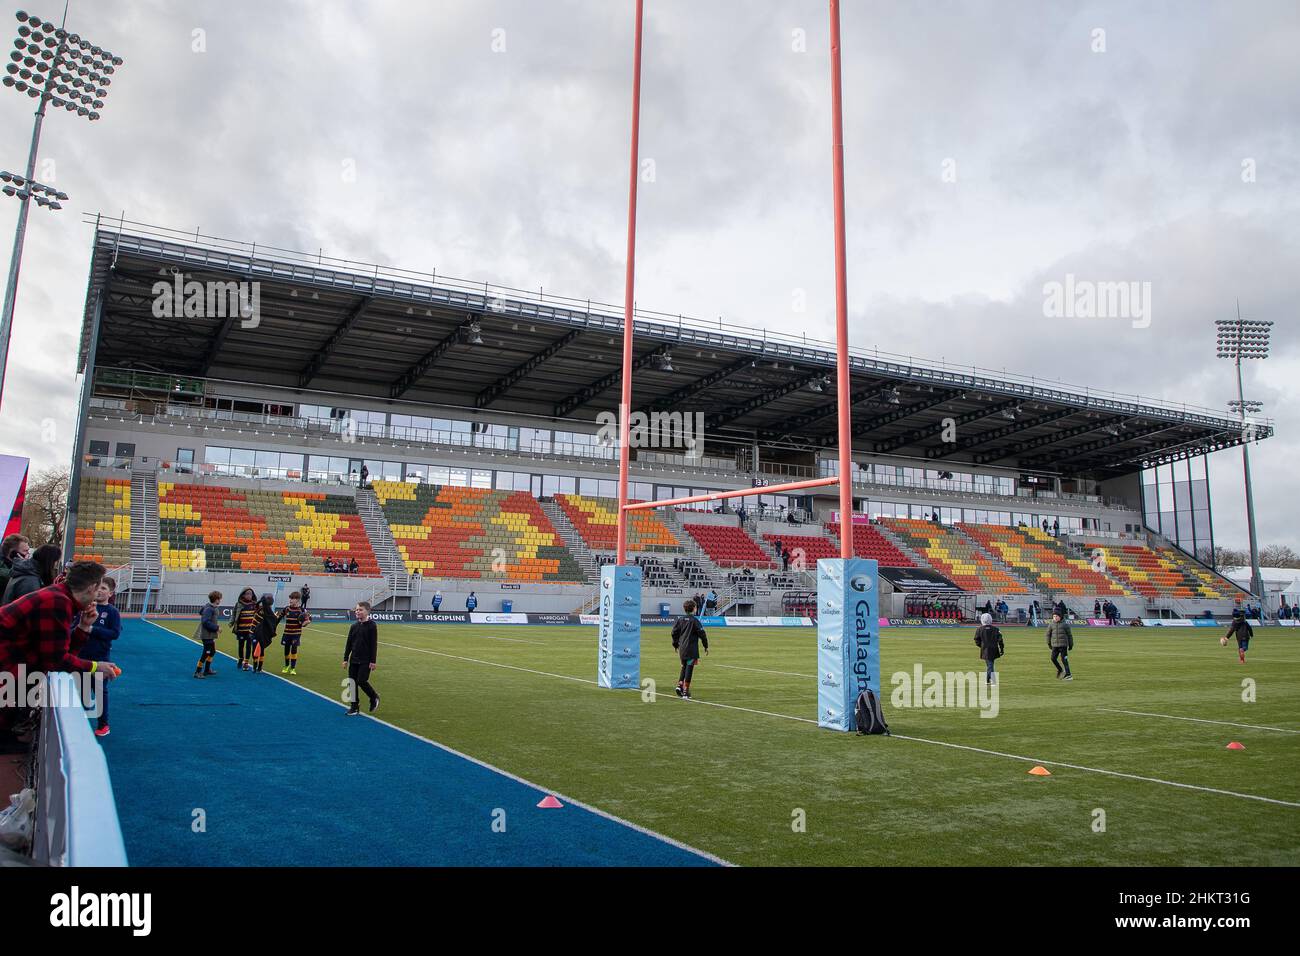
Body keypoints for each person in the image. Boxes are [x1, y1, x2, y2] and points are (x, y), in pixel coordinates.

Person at [0, 560, 121, 738]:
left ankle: (7, 733)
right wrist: (95, 666)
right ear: (91, 588)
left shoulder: (61, 597)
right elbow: (56, 661)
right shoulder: (58, 602)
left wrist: (84, 627)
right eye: (98, 589)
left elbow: (60, 652)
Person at [82, 576, 121, 737]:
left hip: (101, 658)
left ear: (111, 593)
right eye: (98, 587)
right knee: (82, 691)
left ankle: (103, 724)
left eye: (104, 588)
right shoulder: (86, 607)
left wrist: (93, 630)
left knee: (100, 692)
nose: (99, 591)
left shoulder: (112, 612)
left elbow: (115, 633)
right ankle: (80, 722)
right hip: (82, 656)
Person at [343, 601, 380, 715]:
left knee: (361, 681)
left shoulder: (372, 626)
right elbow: (349, 643)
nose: (358, 611)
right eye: (357, 610)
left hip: (365, 660)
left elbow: (373, 644)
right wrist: (345, 659)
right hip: (354, 659)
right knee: (352, 683)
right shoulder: (354, 626)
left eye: (361, 610)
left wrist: (373, 661)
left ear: (367, 611)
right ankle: (354, 707)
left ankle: (374, 697)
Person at [671, 599, 709, 699]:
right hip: (692, 649)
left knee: (684, 666)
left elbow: (674, 633)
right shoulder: (695, 621)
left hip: (682, 648)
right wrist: (706, 646)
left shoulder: (680, 620)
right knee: (689, 668)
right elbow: (702, 634)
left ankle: (679, 685)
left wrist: (675, 644)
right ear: (694, 609)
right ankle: (685, 691)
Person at [278, 590, 311, 675]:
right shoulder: (286, 609)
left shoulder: (302, 610)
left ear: (297, 600)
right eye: (290, 598)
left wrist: (306, 623)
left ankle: (293, 668)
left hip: (296, 634)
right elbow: (279, 618)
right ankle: (286, 666)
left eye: (292, 599)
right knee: (286, 650)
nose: (290, 600)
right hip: (287, 633)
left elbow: (305, 622)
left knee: (294, 649)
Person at [193, 590, 223, 678]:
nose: (220, 601)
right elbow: (205, 622)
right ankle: (197, 672)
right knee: (206, 653)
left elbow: (200, 612)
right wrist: (217, 628)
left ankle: (207, 670)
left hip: (210, 634)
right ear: (215, 599)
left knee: (212, 651)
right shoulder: (209, 608)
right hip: (206, 635)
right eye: (219, 599)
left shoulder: (209, 606)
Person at [231, 587, 259, 671]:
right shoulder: (239, 604)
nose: (249, 595)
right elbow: (234, 614)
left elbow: (258, 615)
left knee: (248, 646)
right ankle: (240, 658)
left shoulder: (255, 604)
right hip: (241, 630)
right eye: (247, 594)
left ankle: (246, 662)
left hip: (250, 630)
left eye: (250, 594)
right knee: (241, 645)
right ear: (243, 595)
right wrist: (232, 622)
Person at [250, 593, 278, 673]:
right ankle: (256, 667)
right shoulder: (261, 609)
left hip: (260, 633)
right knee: (257, 650)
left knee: (259, 650)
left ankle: (258, 667)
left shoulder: (267, 611)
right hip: (254, 632)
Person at [973, 612, 1004, 684]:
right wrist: (1002, 649)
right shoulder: (996, 629)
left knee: (990, 664)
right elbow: (1000, 640)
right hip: (994, 649)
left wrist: (982, 646)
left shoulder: (979, 629)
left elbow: (976, 640)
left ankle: (991, 679)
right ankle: (989, 679)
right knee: (990, 664)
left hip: (985, 649)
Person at [1046, 611, 1074, 681]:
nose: (1055, 618)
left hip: (1063, 645)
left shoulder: (1065, 625)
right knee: (1053, 658)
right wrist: (1049, 643)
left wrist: (1071, 644)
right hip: (1055, 645)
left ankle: (1068, 675)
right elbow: (1048, 635)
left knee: (1064, 660)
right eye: (1054, 616)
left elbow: (1069, 635)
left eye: (1056, 616)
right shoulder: (1051, 625)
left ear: (1060, 617)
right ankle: (1060, 669)